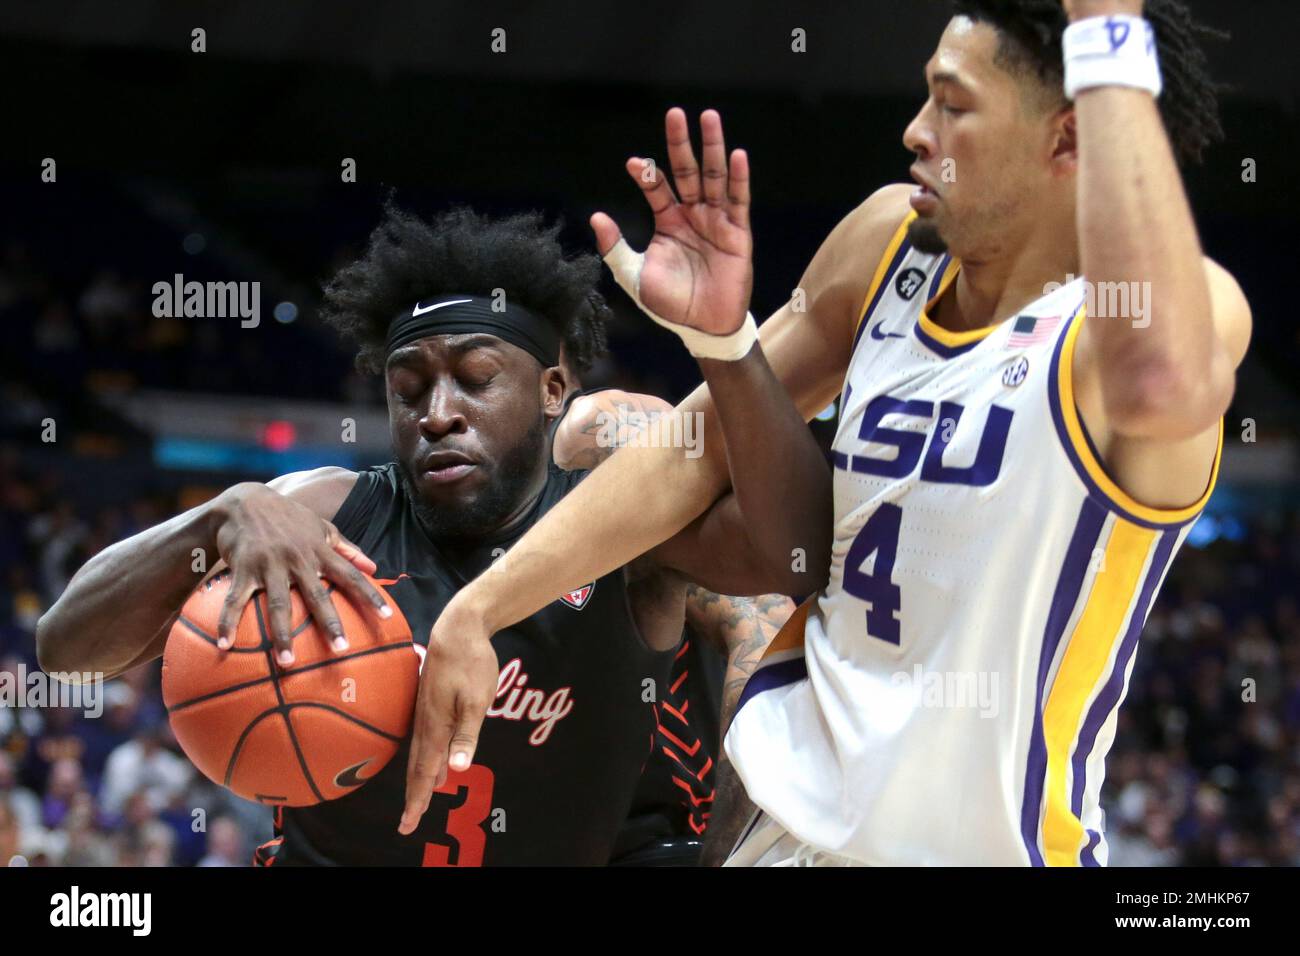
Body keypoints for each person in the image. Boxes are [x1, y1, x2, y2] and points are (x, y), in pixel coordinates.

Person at [406, 0, 1253, 867]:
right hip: (779, 831)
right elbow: (691, 450)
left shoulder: (1150, 324)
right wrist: (478, 609)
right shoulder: (892, 242)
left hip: (988, 851)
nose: (916, 131)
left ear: (1069, 138)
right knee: (601, 432)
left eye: (953, 105)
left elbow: (1158, 384)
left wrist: (1109, 31)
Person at [36, 205, 784, 865]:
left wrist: (731, 855)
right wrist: (219, 514)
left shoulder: (616, 510)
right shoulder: (325, 515)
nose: (438, 412)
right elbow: (65, 655)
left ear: (553, 390)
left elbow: (771, 624)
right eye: (409, 388)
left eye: (477, 378)